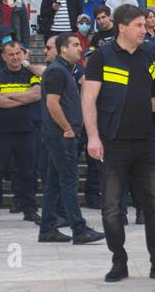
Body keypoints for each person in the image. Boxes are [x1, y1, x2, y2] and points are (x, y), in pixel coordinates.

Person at [82, 4, 155, 281]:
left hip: (147, 141)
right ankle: (119, 262)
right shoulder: (101, 56)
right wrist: (92, 136)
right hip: (113, 143)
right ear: (122, 27)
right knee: (112, 207)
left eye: (145, 25)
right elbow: (88, 99)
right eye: (139, 25)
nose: (145, 29)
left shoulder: (151, 51)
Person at [37, 33, 105, 245]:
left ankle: (47, 229)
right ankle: (79, 228)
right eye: (75, 45)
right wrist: (67, 128)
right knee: (68, 181)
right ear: (63, 49)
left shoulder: (63, 70)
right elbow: (52, 104)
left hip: (61, 134)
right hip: (61, 135)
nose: (79, 48)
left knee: (54, 183)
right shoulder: (57, 71)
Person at [0, 39, 42, 224]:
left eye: (18, 54)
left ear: (23, 54)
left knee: (28, 173)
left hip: (27, 131)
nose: (15, 57)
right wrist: (23, 98)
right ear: (4, 57)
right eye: (11, 54)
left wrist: (7, 96)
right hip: (1, 132)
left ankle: (30, 210)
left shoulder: (31, 74)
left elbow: (36, 95)